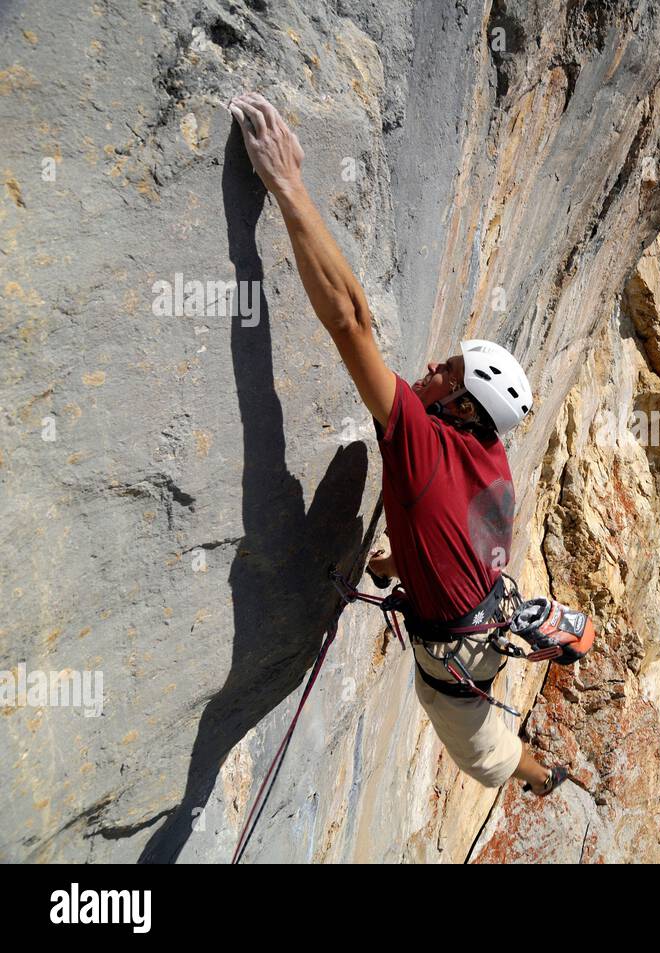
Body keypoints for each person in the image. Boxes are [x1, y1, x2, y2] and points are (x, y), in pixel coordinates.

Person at [228, 91, 567, 797]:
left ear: (463, 404)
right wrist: (398, 559)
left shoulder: (422, 442)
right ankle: (536, 764)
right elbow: (453, 529)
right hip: (477, 612)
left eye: (449, 371)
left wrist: (287, 185)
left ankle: (540, 775)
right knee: (487, 722)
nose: (432, 369)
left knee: (487, 756)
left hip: (456, 666)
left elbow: (350, 320)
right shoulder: (485, 450)